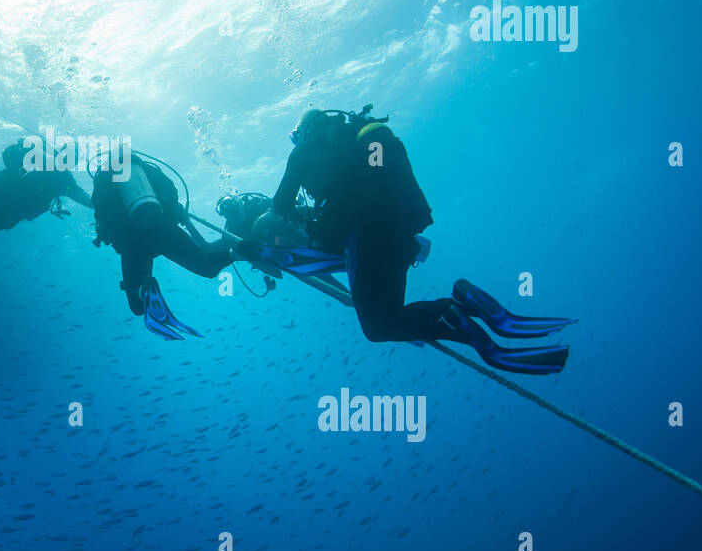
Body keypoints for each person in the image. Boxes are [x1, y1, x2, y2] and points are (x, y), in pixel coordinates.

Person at [245, 105, 575, 373]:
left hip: (363, 236)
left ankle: (456, 314)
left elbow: (279, 204)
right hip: (401, 233)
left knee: (378, 327)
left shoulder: (305, 151)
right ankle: (464, 299)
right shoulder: (361, 139)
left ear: (304, 132)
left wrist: (305, 221)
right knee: (390, 316)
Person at [91, 153, 235, 338]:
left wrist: (105, 233)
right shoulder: (149, 170)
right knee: (207, 267)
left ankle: (144, 286)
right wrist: (172, 214)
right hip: (163, 230)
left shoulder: (103, 178)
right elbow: (172, 191)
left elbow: (101, 214)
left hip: (131, 241)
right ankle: (236, 253)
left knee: (136, 303)